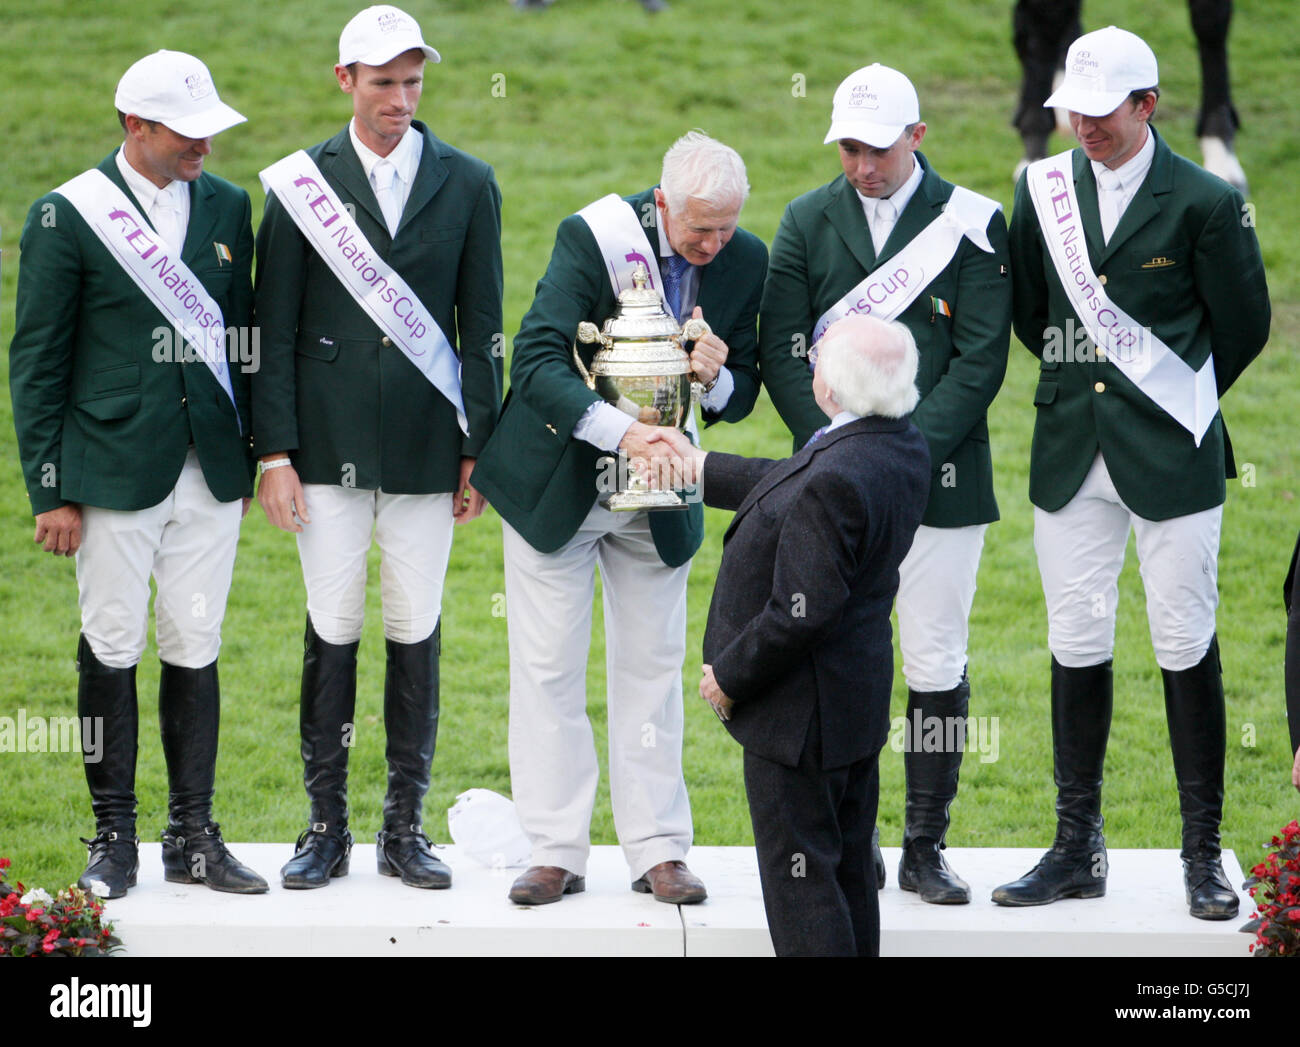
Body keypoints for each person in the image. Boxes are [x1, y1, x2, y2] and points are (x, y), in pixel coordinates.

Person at [992, 26, 1270, 919]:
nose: (1083, 125)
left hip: (1173, 448)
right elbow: (1034, 314)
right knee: (1076, 640)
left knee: (1184, 640)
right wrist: (1093, 386)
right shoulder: (1041, 191)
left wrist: (1169, 394)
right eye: (1072, 109)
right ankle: (1077, 845)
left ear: (1146, 105)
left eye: (1101, 111)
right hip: (1073, 446)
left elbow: (1245, 324)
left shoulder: (1204, 199)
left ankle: (1201, 854)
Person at [471, 131, 767, 905]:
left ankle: (659, 848)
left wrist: (721, 375)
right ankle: (556, 848)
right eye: (698, 227)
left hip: (662, 491)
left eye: (724, 229)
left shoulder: (746, 258)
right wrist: (625, 433)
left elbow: (745, 389)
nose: (711, 246)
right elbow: (534, 359)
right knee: (547, 667)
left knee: (653, 665)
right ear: (661, 202)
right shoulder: (591, 237)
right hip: (560, 478)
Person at [252, 4, 503, 890]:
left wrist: (478, 446)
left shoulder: (469, 181)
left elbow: (485, 325)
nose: (401, 98)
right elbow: (271, 328)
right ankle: (324, 825)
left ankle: (405, 826)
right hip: (324, 448)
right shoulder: (298, 185)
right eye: (384, 82)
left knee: (416, 623)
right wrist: (274, 453)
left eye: (413, 81)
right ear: (345, 81)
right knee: (332, 623)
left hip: (430, 447)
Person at [9, 50, 265, 896]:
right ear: (135, 126)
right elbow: (37, 363)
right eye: (186, 132)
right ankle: (111, 837)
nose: (204, 146)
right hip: (110, 470)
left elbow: (241, 340)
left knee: (196, 643)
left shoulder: (228, 204)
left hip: (208, 466)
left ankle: (193, 833)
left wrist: (267, 452)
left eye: (207, 129)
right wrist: (51, 488)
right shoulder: (66, 216)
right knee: (112, 645)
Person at [757, 64, 1011, 904]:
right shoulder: (804, 220)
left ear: (917, 137)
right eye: (849, 149)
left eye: (878, 148)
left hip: (937, 476)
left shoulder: (973, 225)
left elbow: (979, 360)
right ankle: (850, 838)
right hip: (833, 484)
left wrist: (896, 456)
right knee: (841, 660)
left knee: (936, 658)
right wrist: (838, 453)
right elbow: (786, 351)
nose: (863, 165)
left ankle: (927, 843)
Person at [649, 314, 929, 955]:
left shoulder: (835, 476)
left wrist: (728, 676)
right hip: (850, 706)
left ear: (833, 387)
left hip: (797, 719)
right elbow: (796, 480)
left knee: (802, 885)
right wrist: (699, 466)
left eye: (820, 357)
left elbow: (800, 613)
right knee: (849, 868)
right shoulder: (897, 443)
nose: (810, 363)